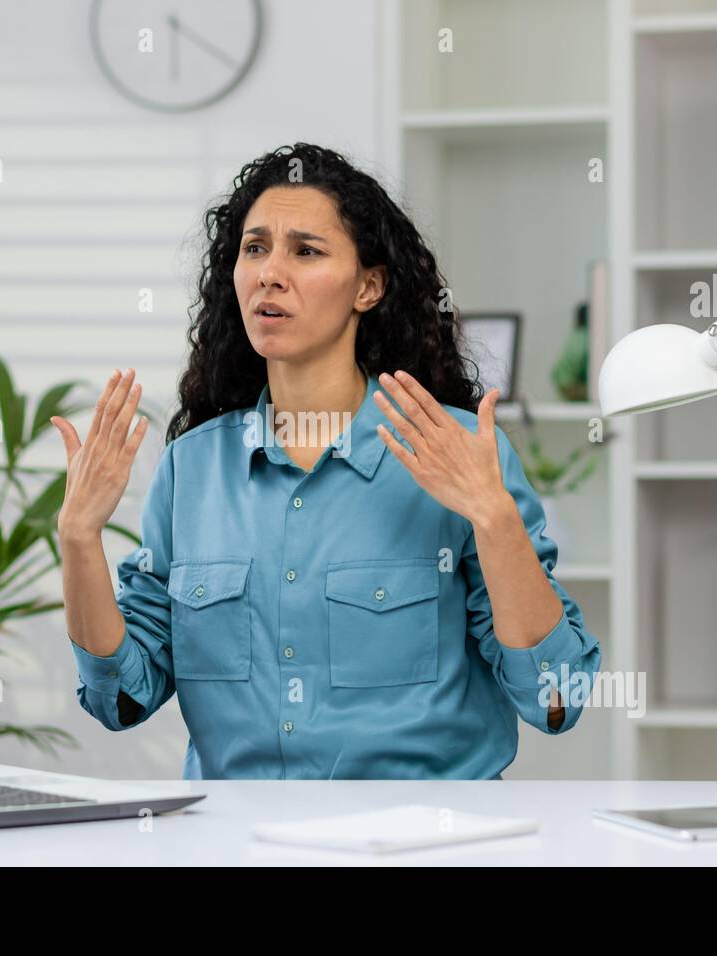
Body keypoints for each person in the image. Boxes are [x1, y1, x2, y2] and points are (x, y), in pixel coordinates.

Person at [50, 143, 601, 779]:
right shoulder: (191, 469)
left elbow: (558, 697)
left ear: (368, 286)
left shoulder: (460, 455)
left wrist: (493, 519)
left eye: (305, 251)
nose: (269, 273)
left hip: (423, 842)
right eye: (254, 249)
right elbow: (122, 697)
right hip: (237, 842)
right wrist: (79, 539)